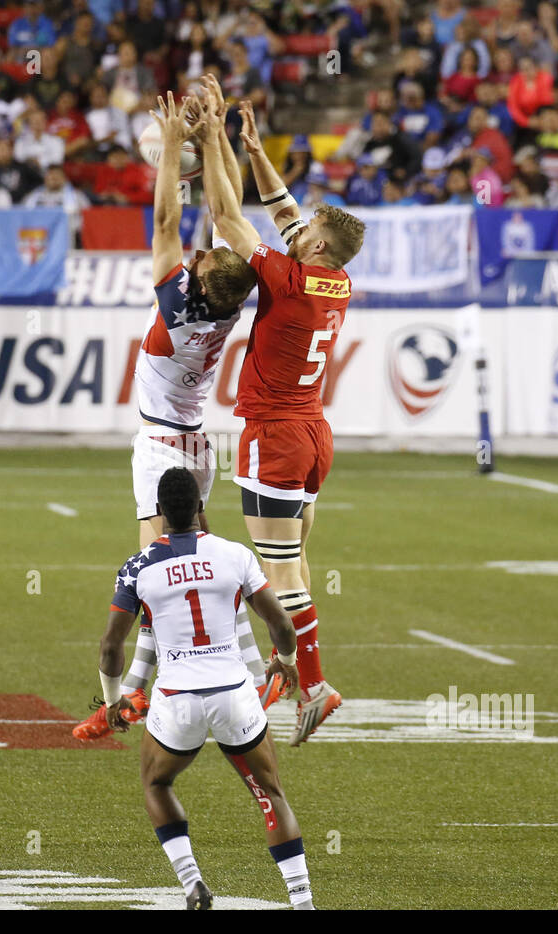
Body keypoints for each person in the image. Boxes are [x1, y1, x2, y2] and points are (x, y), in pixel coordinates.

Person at [73, 90, 270, 742]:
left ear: (204, 273)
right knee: (199, 563)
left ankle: (135, 694)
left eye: (205, 254)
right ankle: (228, 667)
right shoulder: (229, 296)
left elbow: (163, 224)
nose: (199, 250)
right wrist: (213, 135)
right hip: (195, 447)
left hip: (163, 447)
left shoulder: (182, 302)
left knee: (155, 575)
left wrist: (172, 146)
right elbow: (226, 209)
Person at [201, 75, 366, 745]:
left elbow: (231, 220)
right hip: (314, 434)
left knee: (285, 577)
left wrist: (213, 137)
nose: (297, 228)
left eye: (308, 230)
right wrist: (257, 148)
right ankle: (282, 666)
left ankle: (316, 683)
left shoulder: (290, 281)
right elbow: (286, 213)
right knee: (285, 564)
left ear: (316, 246)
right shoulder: (332, 277)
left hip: (276, 434)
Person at [97, 467, 309, 910]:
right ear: (200, 508)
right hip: (234, 693)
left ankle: (193, 883)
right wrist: (286, 662)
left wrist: (115, 698)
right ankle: (302, 901)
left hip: (176, 701)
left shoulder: (137, 566)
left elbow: (111, 644)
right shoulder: (234, 555)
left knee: (157, 783)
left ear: (158, 513)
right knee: (270, 794)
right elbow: (280, 623)